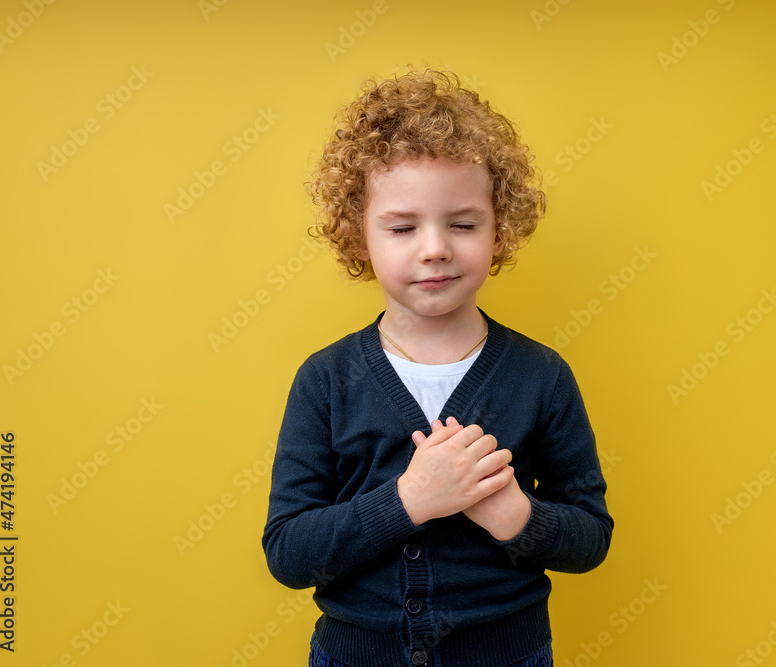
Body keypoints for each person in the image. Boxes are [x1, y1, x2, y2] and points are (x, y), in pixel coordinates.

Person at [262, 67, 613, 667]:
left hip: (509, 653)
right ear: (358, 236)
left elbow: (591, 538)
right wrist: (408, 500)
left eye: (463, 223)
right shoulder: (325, 380)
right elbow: (289, 552)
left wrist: (517, 516)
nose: (435, 247)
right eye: (402, 227)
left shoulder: (542, 376)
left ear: (501, 226)